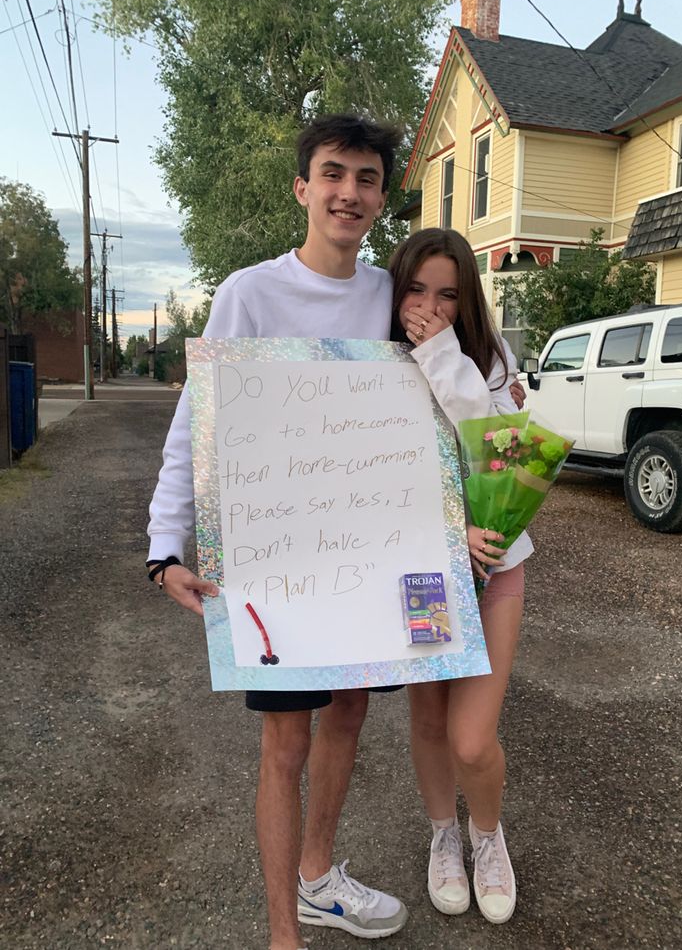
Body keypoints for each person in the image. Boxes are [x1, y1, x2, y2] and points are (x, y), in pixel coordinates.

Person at [145, 114, 410, 950]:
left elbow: (445, 390)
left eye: (366, 179)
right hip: (275, 556)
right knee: (285, 740)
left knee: (353, 710)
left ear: (381, 198)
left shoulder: (389, 296)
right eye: (334, 173)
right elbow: (201, 422)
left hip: (366, 552)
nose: (349, 192)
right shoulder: (248, 293)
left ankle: (319, 874)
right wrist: (165, 546)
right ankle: (282, 936)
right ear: (303, 187)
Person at [389, 227, 533, 926]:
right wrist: (443, 532)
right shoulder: (375, 361)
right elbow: (370, 483)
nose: (430, 307)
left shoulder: (489, 359)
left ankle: (486, 833)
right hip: (421, 572)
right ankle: (443, 831)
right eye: (417, 289)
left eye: (448, 294)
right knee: (427, 718)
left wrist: (444, 356)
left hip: (493, 568)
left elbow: (504, 451)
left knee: (472, 737)